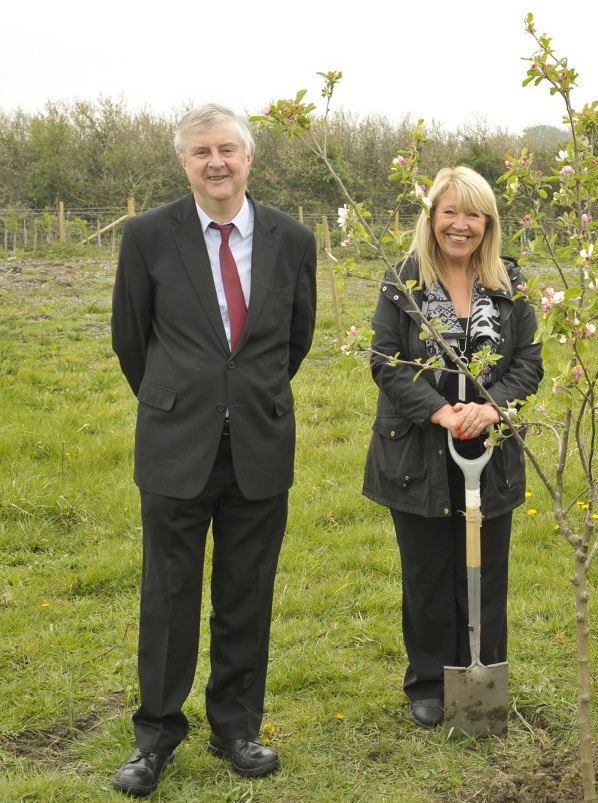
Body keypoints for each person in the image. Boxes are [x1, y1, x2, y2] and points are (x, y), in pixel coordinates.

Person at [111, 103, 317, 795]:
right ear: (183, 162)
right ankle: (156, 734)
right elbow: (131, 339)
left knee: (246, 592)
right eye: (201, 152)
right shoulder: (147, 236)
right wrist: (182, 398)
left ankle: (236, 726)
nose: (216, 162)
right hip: (175, 443)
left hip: (258, 441)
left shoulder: (292, 239)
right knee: (166, 594)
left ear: (250, 155)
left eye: (227, 148)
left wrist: (243, 396)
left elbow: (296, 338)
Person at [362, 166, 543, 729]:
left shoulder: (511, 285)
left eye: (473, 214)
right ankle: (427, 682)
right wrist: (439, 411)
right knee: (426, 574)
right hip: (416, 450)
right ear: (431, 218)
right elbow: (385, 360)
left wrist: (490, 408)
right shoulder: (403, 284)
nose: (460, 225)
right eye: (449, 212)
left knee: (487, 573)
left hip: (490, 451)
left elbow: (530, 364)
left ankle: (480, 670)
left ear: (487, 223)